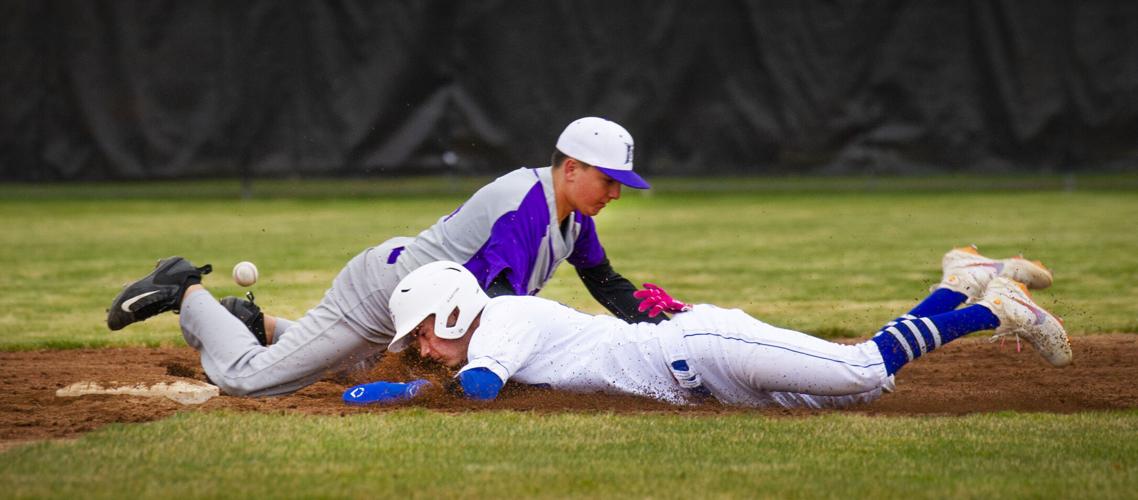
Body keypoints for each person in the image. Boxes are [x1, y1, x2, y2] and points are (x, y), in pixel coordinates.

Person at [106, 117, 662, 397]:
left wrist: (658, 322)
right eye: (608, 179)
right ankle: (185, 289)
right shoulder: (524, 208)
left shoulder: (571, 219)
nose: (615, 192)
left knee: (356, 366)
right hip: (384, 293)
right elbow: (491, 309)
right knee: (252, 381)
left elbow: (604, 280)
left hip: (418, 302)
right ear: (571, 168)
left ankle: (258, 322)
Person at [345, 246, 1072, 408]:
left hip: (698, 347)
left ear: (450, 313)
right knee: (859, 392)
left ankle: (994, 310)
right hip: (705, 375)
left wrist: (398, 396)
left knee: (863, 371)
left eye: (421, 338)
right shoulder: (496, 321)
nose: (422, 353)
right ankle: (958, 282)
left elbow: (475, 388)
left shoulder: (497, 324)